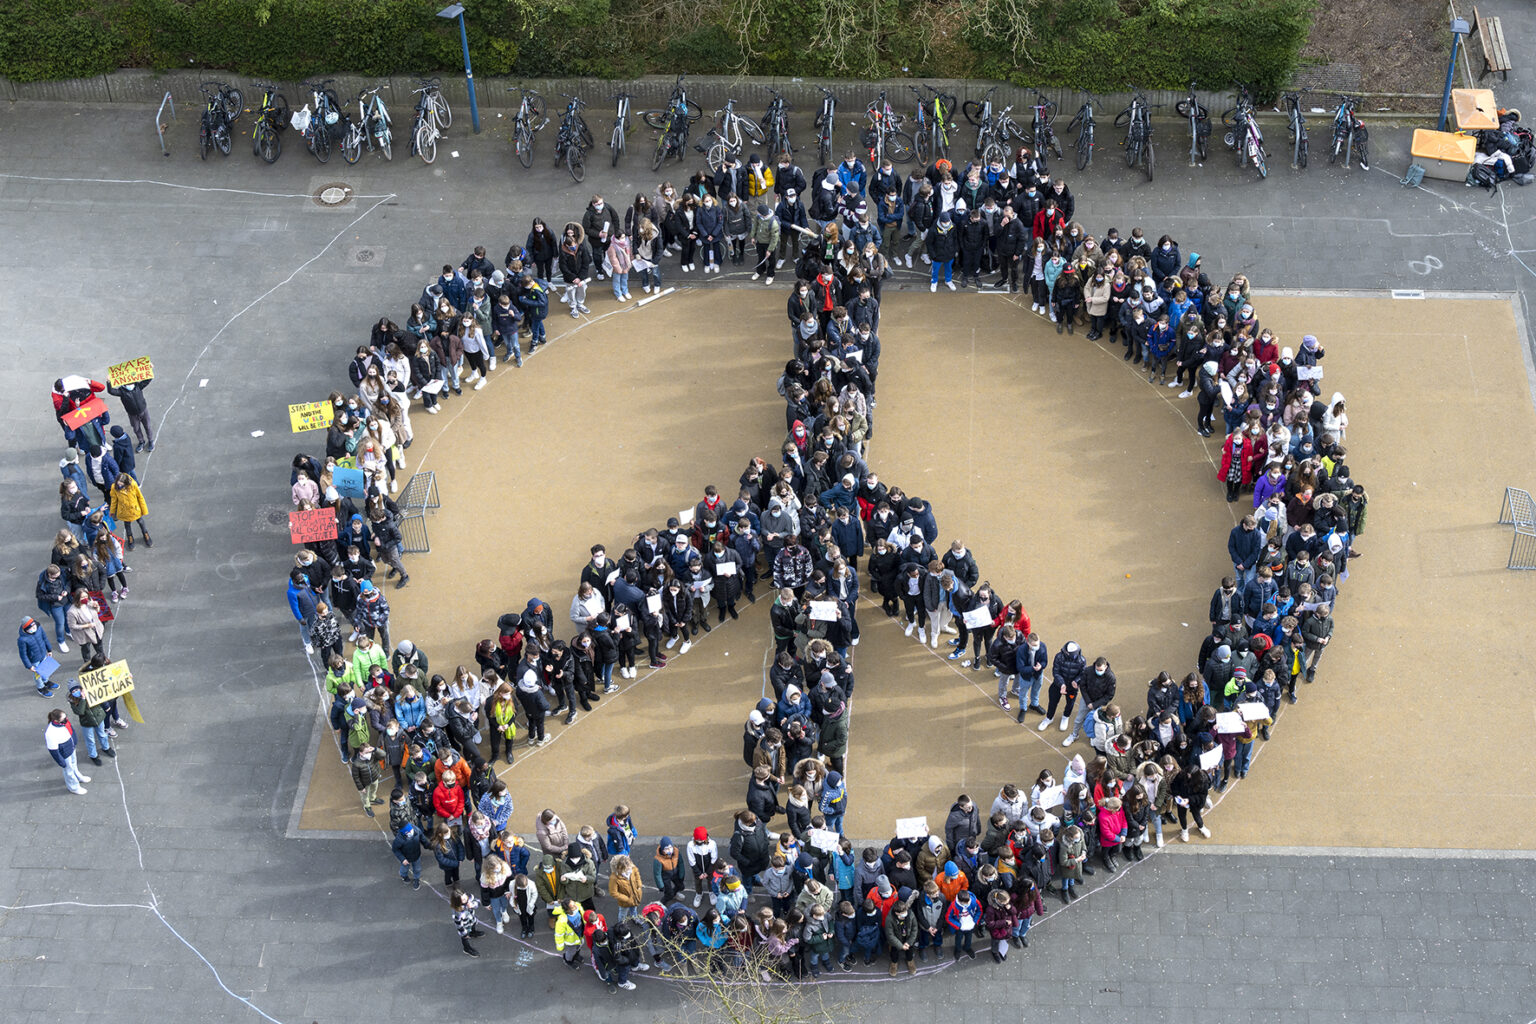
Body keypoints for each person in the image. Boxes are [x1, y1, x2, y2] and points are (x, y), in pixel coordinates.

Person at [44, 707, 90, 795]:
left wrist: (74, 741)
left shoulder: (64, 723)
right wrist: (61, 762)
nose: (66, 719)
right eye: (63, 718)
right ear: (57, 721)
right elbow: (53, 750)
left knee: (74, 765)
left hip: (71, 747)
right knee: (68, 771)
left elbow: (71, 730)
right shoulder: (50, 733)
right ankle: (73, 787)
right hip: (64, 753)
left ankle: (78, 777)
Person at [66, 683, 113, 766]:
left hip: (98, 718)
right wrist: (83, 699)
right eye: (73, 691)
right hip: (87, 723)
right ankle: (93, 755)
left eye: (77, 690)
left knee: (102, 734)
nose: (75, 692)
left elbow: (101, 696)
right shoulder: (73, 700)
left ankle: (106, 748)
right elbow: (80, 711)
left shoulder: (90, 692)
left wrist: (105, 705)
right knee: (90, 740)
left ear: (81, 689)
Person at [108, 472, 151, 549]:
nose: (119, 485)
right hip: (124, 511)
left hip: (135, 509)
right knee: (127, 525)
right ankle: (130, 538)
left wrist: (144, 510)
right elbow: (114, 500)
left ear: (126, 483)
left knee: (141, 522)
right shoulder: (114, 487)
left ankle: (145, 534)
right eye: (118, 483)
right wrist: (112, 511)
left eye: (121, 484)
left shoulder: (133, 485)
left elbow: (140, 497)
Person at [19, 616, 59, 698]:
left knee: (45, 669)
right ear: (26, 629)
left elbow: (45, 638)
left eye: (34, 626)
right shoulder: (22, 640)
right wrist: (29, 666)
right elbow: (23, 654)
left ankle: (46, 681)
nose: (34, 628)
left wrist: (49, 649)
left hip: (42, 655)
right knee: (37, 675)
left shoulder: (39, 628)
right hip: (34, 660)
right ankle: (40, 687)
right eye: (31, 627)